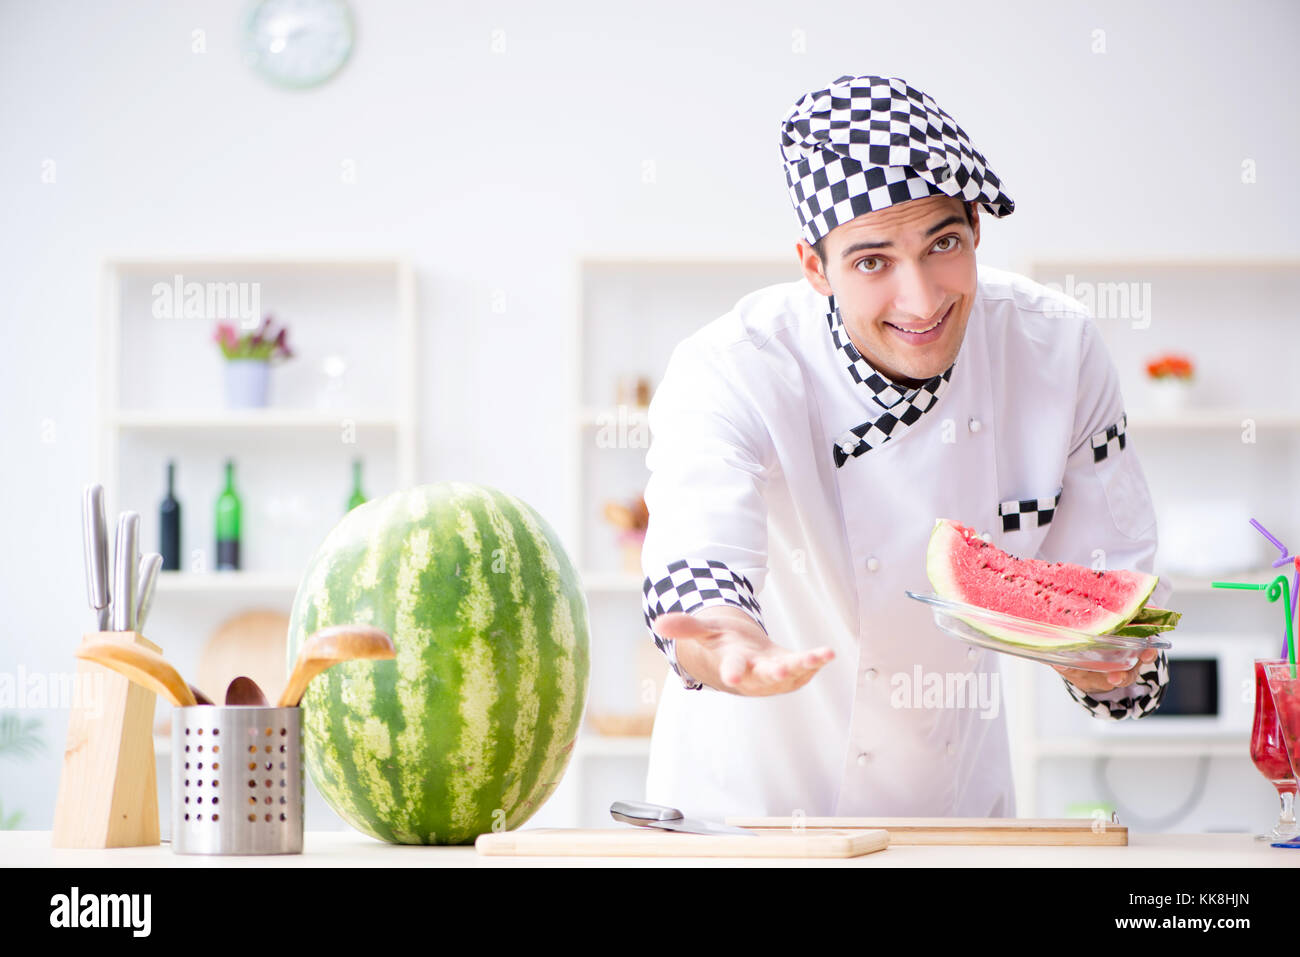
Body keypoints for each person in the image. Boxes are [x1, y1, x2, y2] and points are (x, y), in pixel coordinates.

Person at [638, 75, 1169, 820]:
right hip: (750, 819)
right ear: (814, 266)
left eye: (942, 243)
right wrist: (725, 639)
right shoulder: (733, 365)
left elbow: (1113, 586)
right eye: (872, 261)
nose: (921, 300)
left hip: (953, 820)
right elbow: (699, 551)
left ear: (977, 228)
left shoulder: (1056, 346)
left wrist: (1111, 668)